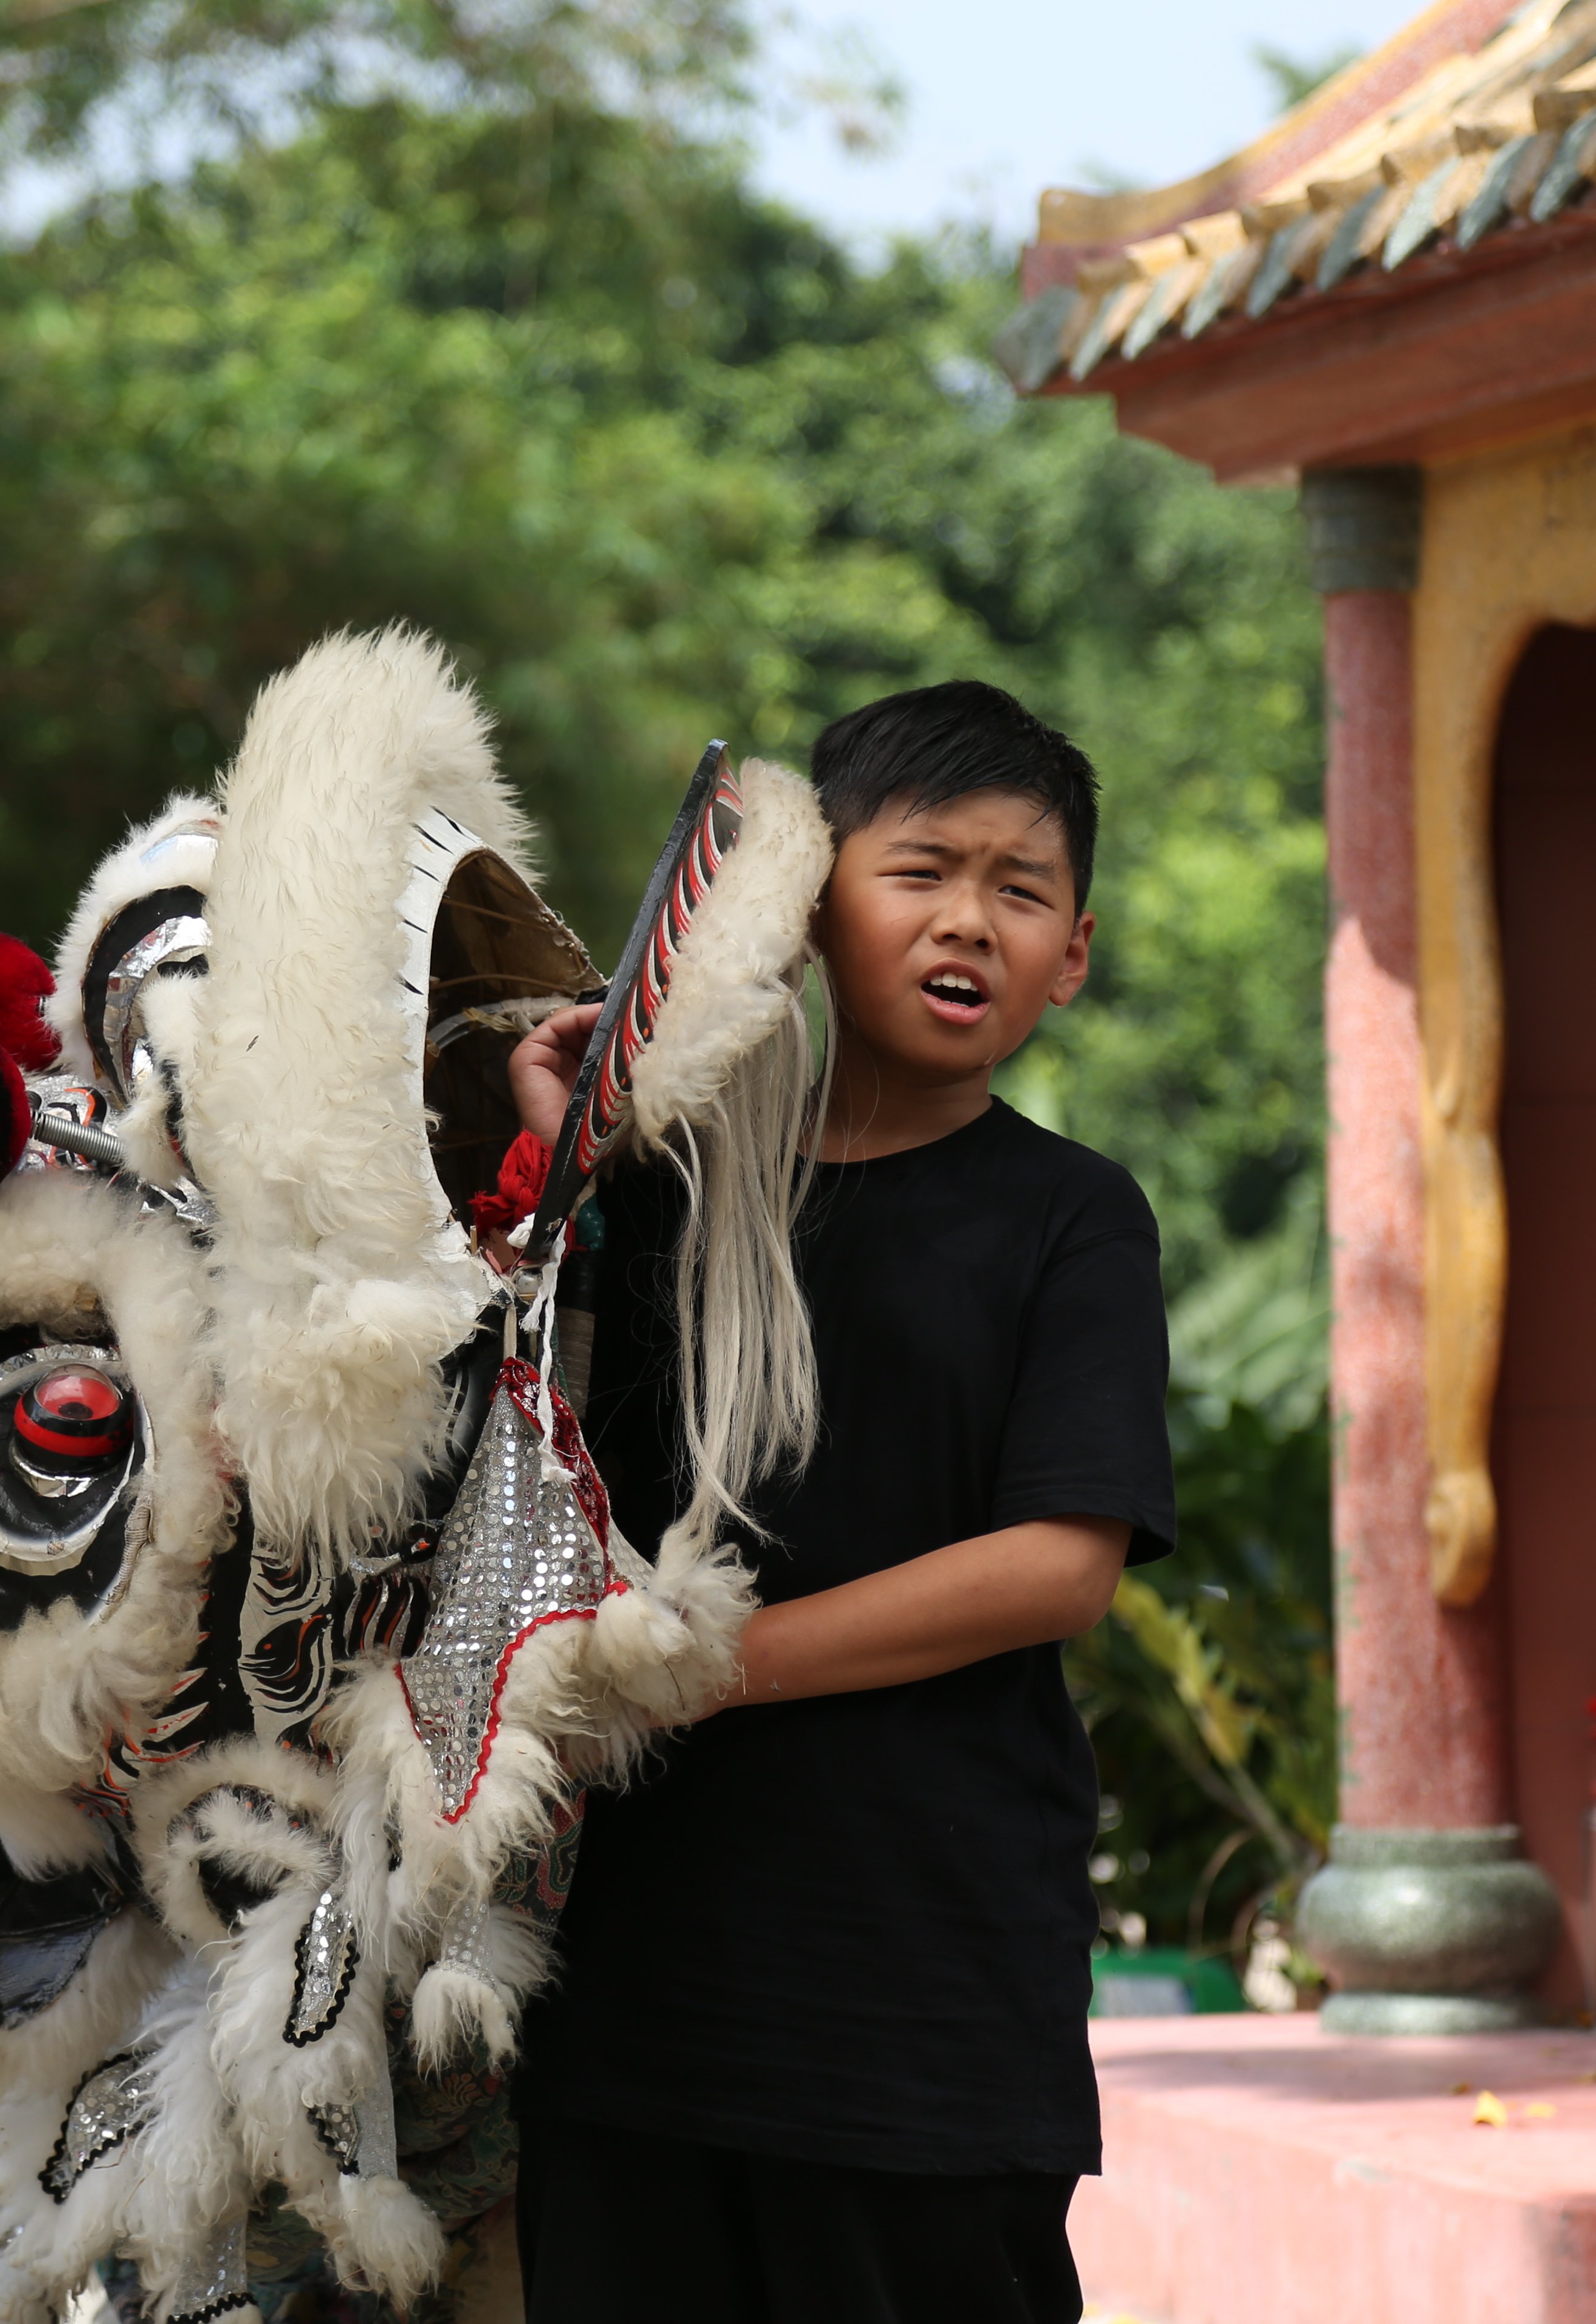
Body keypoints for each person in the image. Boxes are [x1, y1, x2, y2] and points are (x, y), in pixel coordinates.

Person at [504, 680, 1177, 2323]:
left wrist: (716, 1667)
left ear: (1072, 956)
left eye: (1020, 893)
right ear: (805, 910)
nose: (971, 921)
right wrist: (563, 1161)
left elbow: (1055, 1566)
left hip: (923, 2003)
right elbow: (522, 1459)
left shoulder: (1072, 1220)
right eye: (923, 871)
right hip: (644, 1993)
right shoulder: (669, 1196)